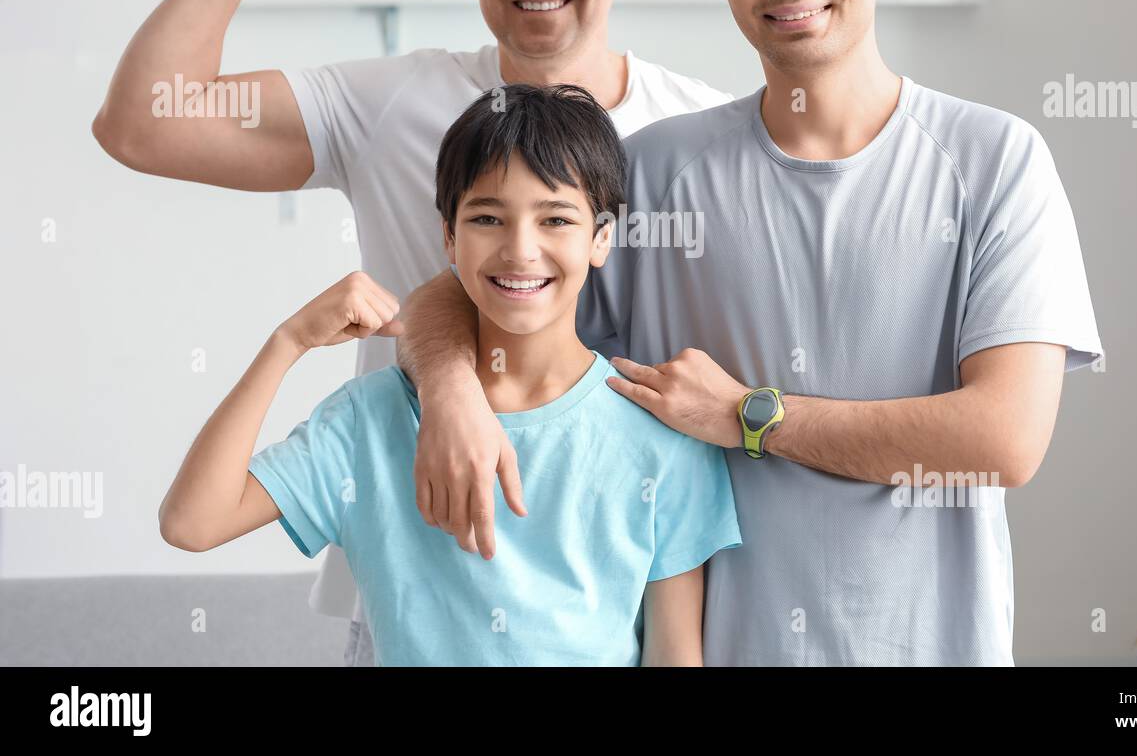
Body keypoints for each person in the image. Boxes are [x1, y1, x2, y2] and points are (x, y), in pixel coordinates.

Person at [398, 0, 1105, 665]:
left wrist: (748, 418)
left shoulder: (995, 161)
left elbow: (1002, 440)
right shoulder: (656, 168)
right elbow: (486, 283)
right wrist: (447, 389)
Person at [91, 0, 733, 663]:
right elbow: (142, 123)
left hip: (618, 604)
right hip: (412, 593)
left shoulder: (706, 135)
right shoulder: (388, 103)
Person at [157, 83, 741, 666]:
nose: (520, 250)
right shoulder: (370, 420)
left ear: (602, 238)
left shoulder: (661, 437)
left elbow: (673, 655)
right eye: (488, 217)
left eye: (556, 219)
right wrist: (287, 343)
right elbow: (192, 523)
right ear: (449, 238)